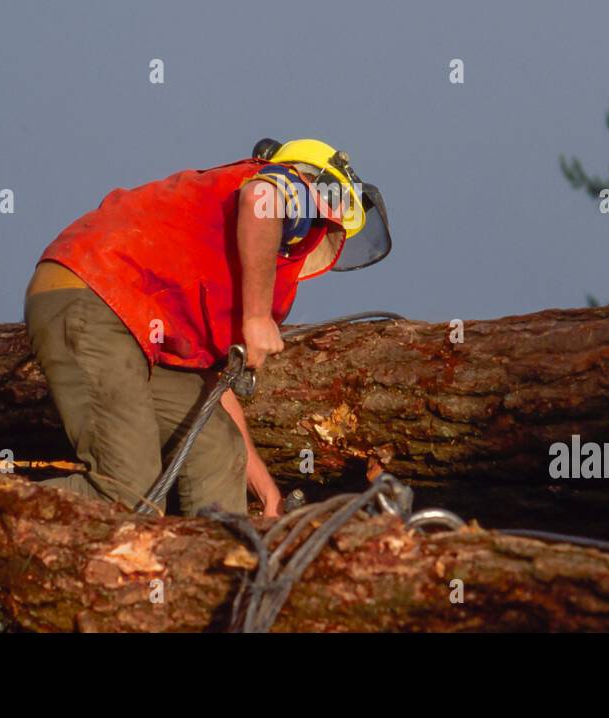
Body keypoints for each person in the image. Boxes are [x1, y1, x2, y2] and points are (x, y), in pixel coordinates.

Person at [23, 139, 391, 518]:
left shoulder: (233, 264)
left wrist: (268, 495)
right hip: (95, 296)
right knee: (128, 492)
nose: (312, 234)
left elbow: (213, 385)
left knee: (216, 445)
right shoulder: (283, 183)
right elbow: (261, 199)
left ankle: (218, 564)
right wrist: (257, 318)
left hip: (131, 324)